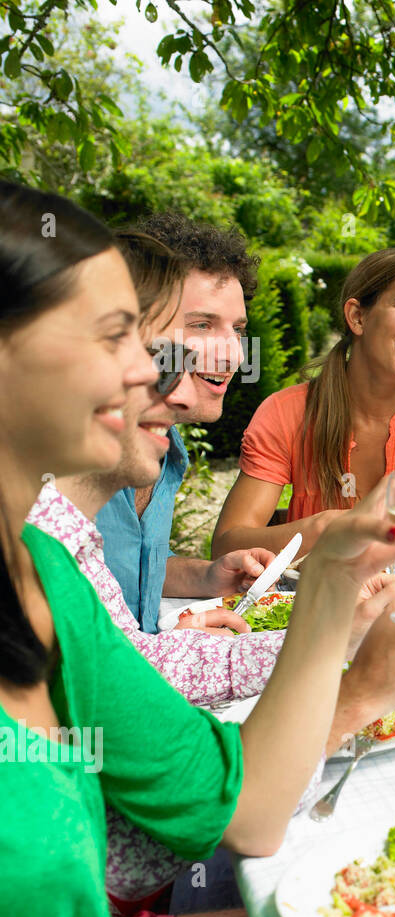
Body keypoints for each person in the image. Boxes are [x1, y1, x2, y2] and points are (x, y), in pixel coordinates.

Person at [0, 180, 395, 917]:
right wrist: (356, 684)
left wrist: (331, 585)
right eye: (117, 336)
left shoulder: (46, 569)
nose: (165, 377)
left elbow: (243, 804)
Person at [212, 247, 395, 558]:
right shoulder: (286, 413)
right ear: (357, 316)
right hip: (318, 602)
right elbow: (227, 545)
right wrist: (328, 527)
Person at [95, 212, 270, 634]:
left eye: (238, 329)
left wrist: (205, 576)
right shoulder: (72, 457)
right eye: (202, 325)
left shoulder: (166, 445)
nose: (235, 356)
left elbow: (126, 567)